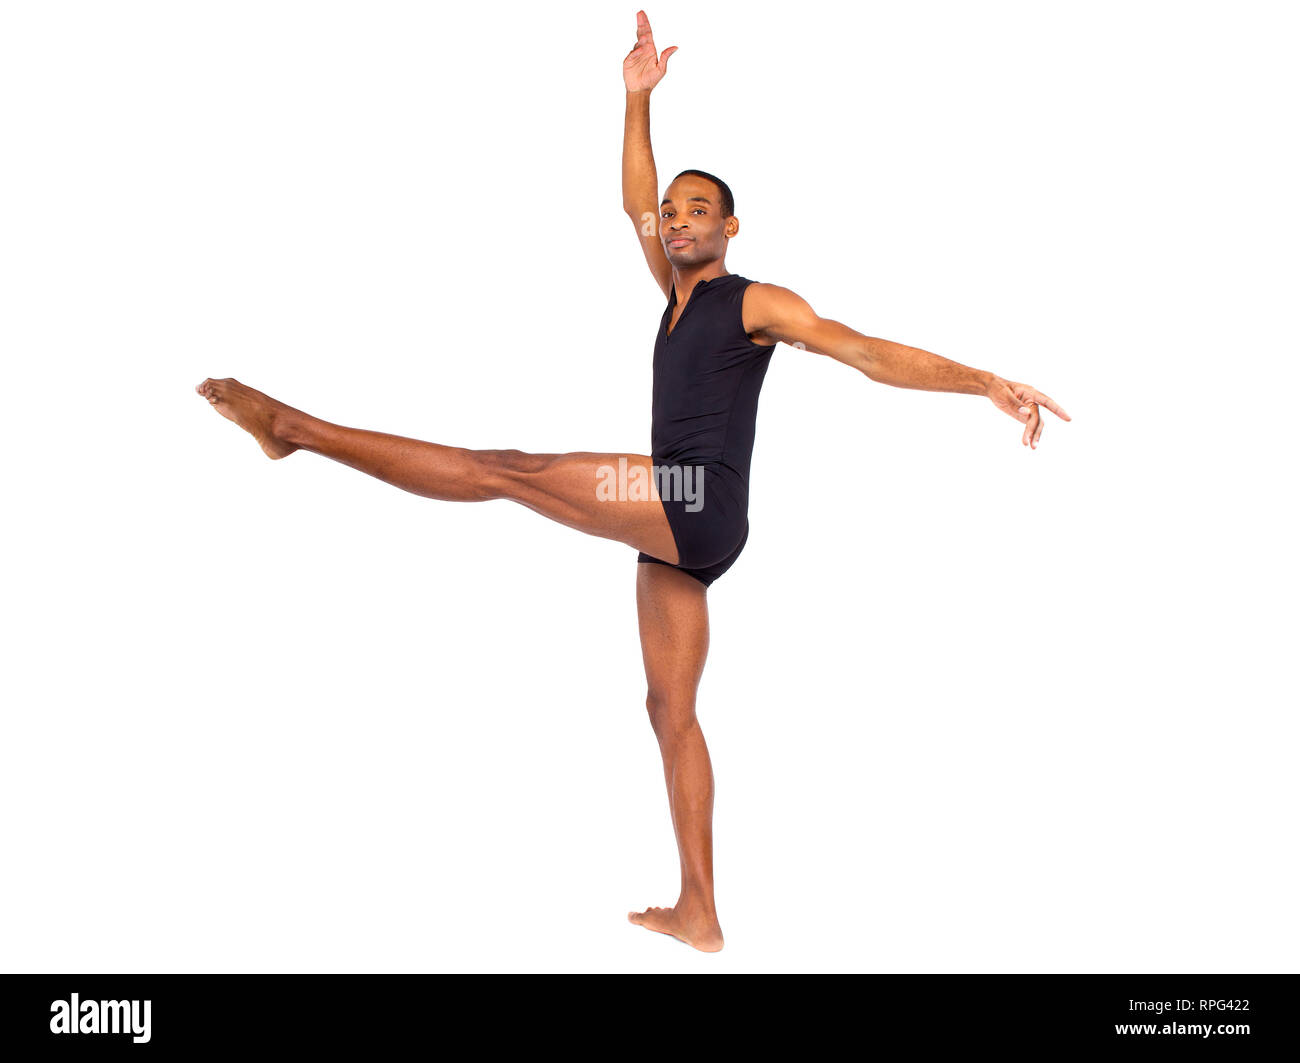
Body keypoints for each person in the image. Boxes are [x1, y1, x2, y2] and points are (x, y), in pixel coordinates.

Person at [195, 9, 1070, 953]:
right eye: (673, 210)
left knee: (511, 470)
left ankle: (292, 430)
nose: (677, 217)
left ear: (731, 228)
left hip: (695, 502)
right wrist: (636, 101)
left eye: (700, 209)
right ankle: (702, 910)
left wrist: (986, 380)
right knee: (669, 709)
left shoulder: (754, 300)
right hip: (689, 530)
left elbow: (863, 351)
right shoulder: (676, 293)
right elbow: (631, 199)